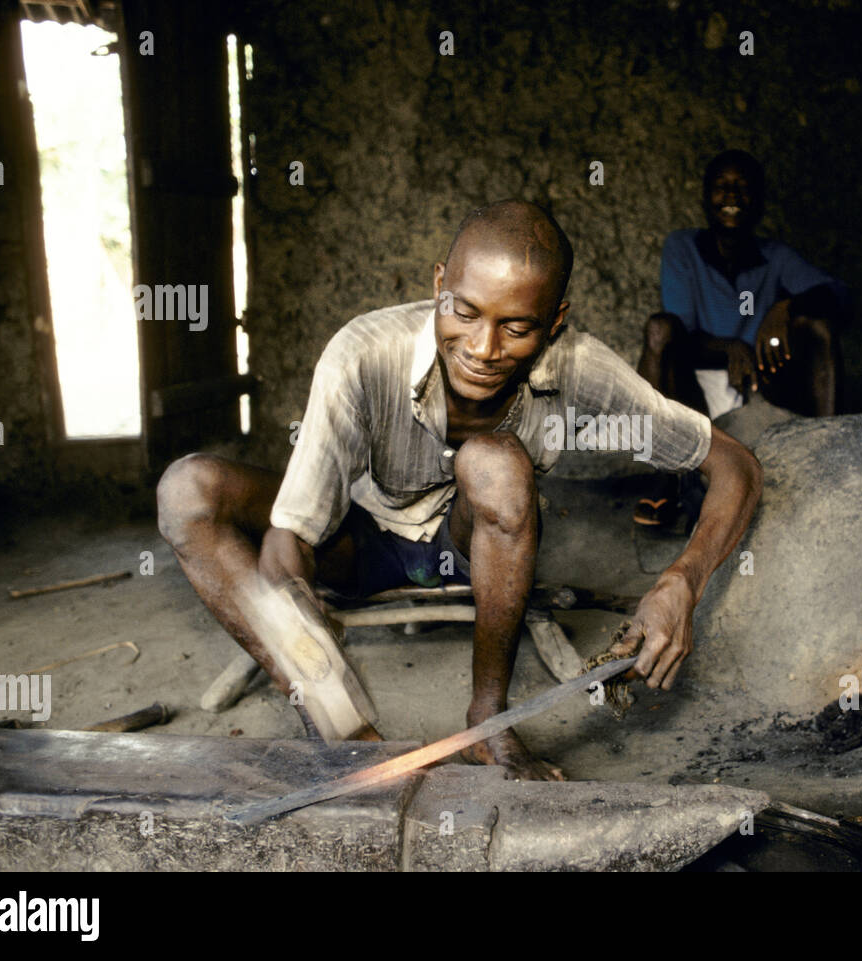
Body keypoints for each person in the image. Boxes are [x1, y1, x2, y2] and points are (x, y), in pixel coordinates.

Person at [156, 200, 762, 781]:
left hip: (474, 547)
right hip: (357, 541)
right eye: (465, 312)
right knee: (187, 490)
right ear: (440, 282)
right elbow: (292, 534)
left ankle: (490, 722)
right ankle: (340, 732)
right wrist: (296, 625)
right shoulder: (364, 354)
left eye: (517, 328)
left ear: (555, 322)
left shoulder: (578, 366)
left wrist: (681, 582)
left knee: (495, 462)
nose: (482, 348)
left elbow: (735, 465)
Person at [634, 150, 849, 528]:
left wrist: (787, 307)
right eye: (721, 187)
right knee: (659, 328)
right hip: (693, 394)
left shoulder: (775, 257)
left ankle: (829, 460)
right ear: (704, 197)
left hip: (759, 388)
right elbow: (680, 332)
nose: (731, 197)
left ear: (760, 202)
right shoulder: (683, 247)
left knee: (817, 326)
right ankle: (665, 476)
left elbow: (838, 295)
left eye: (743, 188)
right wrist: (731, 347)